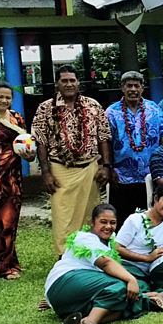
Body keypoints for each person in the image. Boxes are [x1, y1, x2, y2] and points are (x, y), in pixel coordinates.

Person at [33, 64, 112, 256]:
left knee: (90, 213)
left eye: (72, 80)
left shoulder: (92, 105)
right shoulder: (45, 108)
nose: (69, 84)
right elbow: (41, 142)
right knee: (63, 216)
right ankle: (65, 257)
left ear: (78, 83)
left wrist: (106, 166)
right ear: (57, 84)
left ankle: (90, 254)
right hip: (60, 169)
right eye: (64, 80)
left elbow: (103, 137)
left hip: (89, 168)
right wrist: (45, 173)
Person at [44, 204, 155, 324]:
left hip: (78, 297)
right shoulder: (84, 237)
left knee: (128, 297)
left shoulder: (110, 241)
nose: (108, 226)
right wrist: (131, 280)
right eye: (103, 222)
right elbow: (106, 263)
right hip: (65, 281)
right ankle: (91, 322)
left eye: (112, 223)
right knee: (122, 286)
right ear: (92, 222)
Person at [106, 71, 163, 226]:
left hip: (150, 174)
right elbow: (106, 141)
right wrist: (108, 168)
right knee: (121, 219)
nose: (133, 89)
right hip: (121, 176)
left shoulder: (154, 109)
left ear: (142, 88)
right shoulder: (111, 112)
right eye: (129, 86)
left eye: (136, 85)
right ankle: (120, 248)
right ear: (122, 88)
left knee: (152, 217)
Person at [0, 81, 35, 279]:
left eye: (8, 97)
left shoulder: (16, 117)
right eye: (0, 96)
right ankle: (0, 267)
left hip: (13, 177)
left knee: (11, 220)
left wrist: (30, 157)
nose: (4, 100)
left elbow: (24, 144)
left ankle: (10, 261)